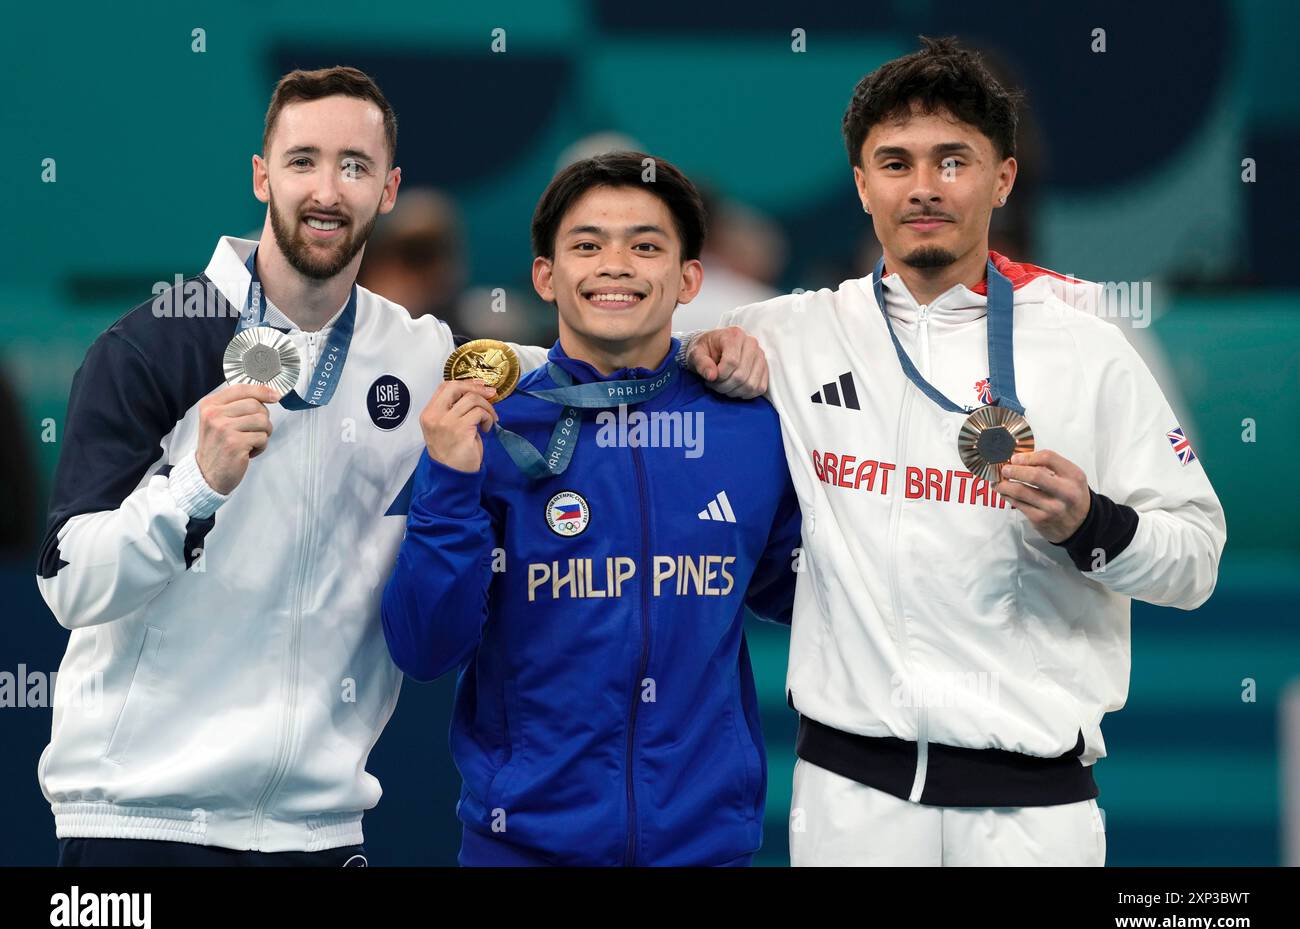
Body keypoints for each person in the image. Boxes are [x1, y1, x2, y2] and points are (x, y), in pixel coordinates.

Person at [36, 67, 764, 867]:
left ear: (388, 188)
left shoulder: (419, 354)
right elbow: (69, 584)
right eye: (303, 160)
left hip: (317, 827)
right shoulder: (151, 347)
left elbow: (585, 353)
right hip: (136, 820)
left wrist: (699, 350)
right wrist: (195, 489)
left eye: (354, 166)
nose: (327, 189)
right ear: (261, 174)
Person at [706, 36, 1227, 866]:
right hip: (848, 802)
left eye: (953, 160)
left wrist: (1092, 525)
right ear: (861, 184)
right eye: (896, 162)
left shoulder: (1090, 344)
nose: (923, 187)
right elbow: (608, 346)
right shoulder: (791, 333)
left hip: (1035, 808)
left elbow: (1197, 560)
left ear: (1003, 178)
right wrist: (704, 357)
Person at [381, 151, 802, 866]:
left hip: (706, 849)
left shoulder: (750, 424)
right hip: (522, 848)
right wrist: (450, 485)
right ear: (545, 275)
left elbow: (801, 591)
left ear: (689, 278)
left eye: (645, 245)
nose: (616, 264)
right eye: (586, 245)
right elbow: (424, 649)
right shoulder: (489, 425)